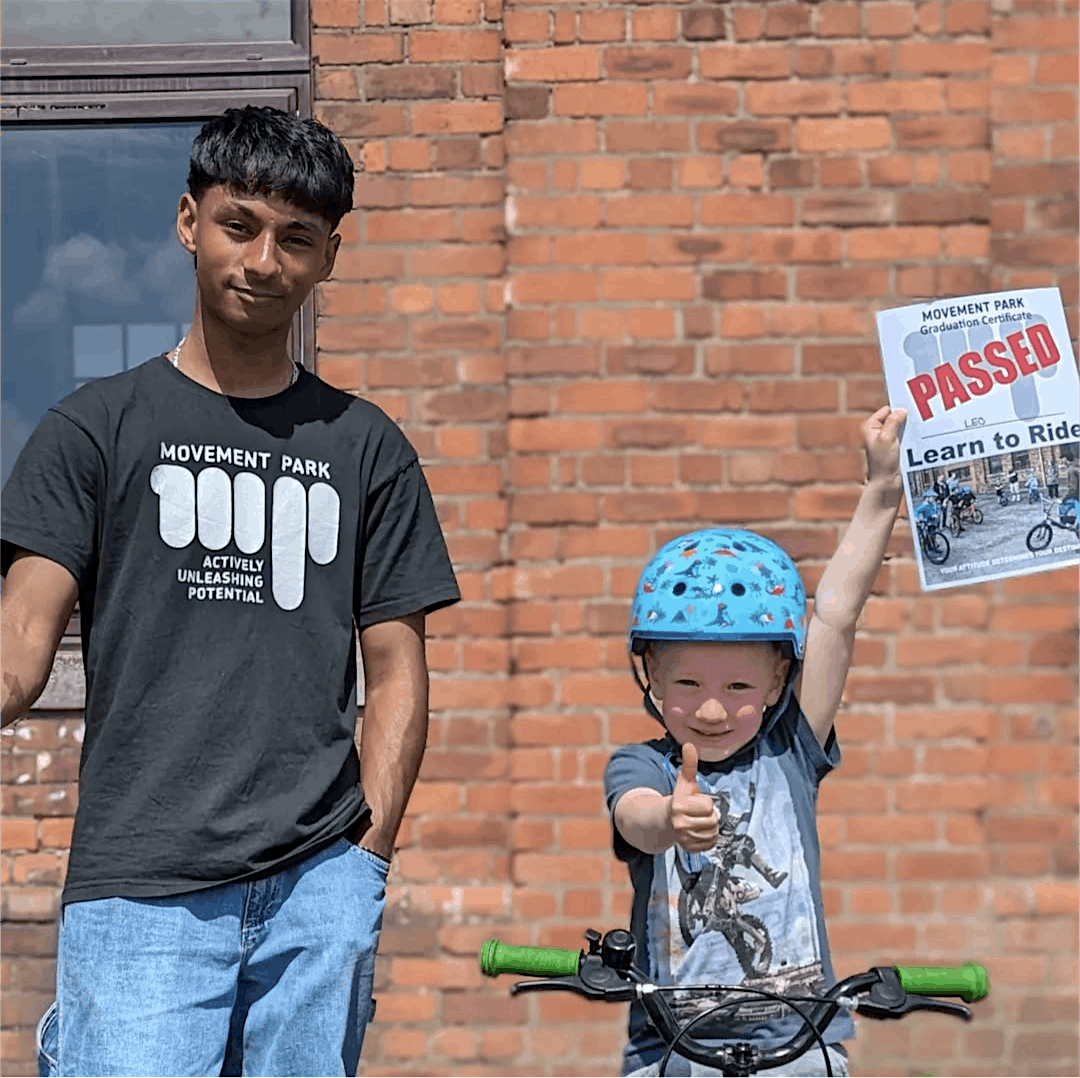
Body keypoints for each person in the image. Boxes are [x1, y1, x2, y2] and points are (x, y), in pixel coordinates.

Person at [0, 106, 460, 1078]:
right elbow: (19, 647)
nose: (262, 261)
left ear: (328, 257)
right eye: (238, 225)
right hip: (141, 884)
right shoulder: (94, 429)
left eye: (296, 238)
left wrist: (364, 862)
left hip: (318, 881)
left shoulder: (366, 448)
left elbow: (397, 673)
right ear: (188, 222)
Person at [604, 406, 906, 1078]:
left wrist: (883, 489)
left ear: (776, 683)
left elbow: (836, 616)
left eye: (739, 686)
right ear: (651, 678)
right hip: (673, 1048)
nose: (712, 708)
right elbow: (635, 817)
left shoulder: (790, 751)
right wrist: (668, 818)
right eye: (688, 683)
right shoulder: (642, 763)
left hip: (798, 1046)